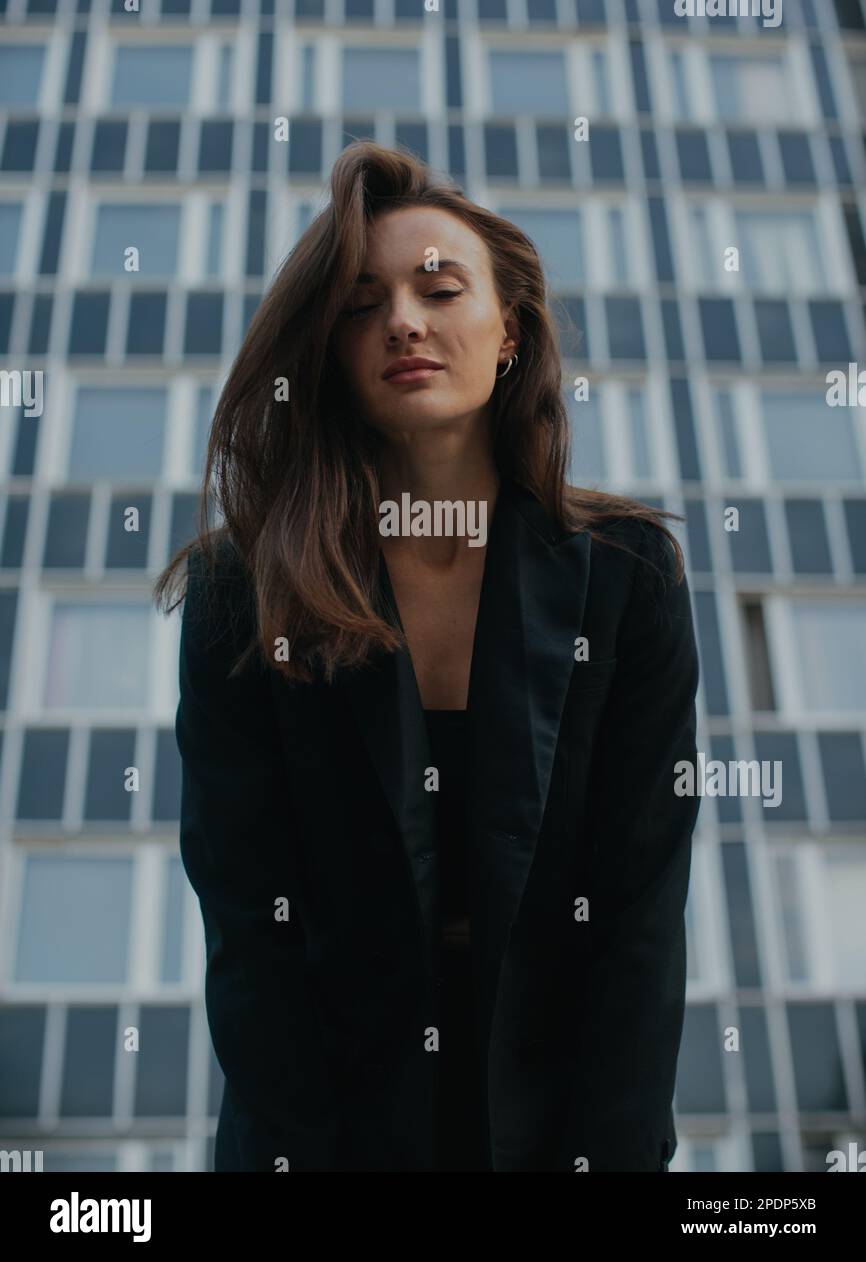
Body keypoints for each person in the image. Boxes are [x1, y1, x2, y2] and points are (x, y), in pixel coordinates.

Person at [154, 140, 701, 1172]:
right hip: (321, 1129)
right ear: (329, 353)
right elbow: (248, 927)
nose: (401, 318)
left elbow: (638, 919)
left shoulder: (627, 577)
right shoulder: (245, 589)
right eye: (360, 305)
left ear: (507, 335)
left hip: (558, 1127)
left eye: (438, 288)